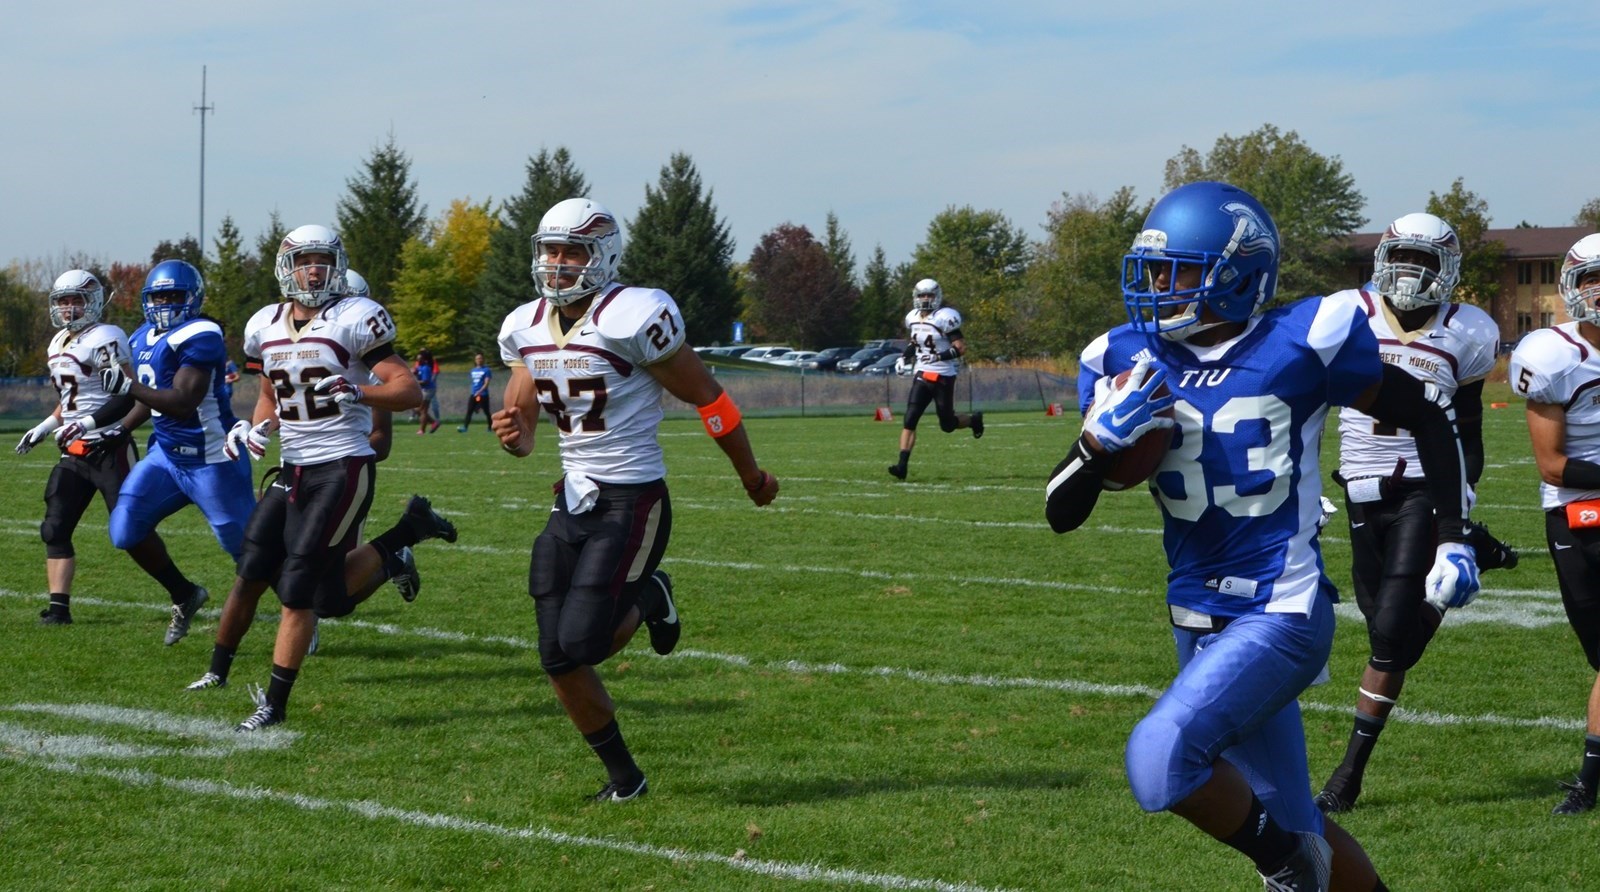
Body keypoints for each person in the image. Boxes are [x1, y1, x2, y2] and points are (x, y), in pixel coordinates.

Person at [1044, 182, 1480, 891]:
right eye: (1152, 270)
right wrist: (1093, 447)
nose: (1157, 288)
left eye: (1176, 271)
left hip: (1281, 607)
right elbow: (1061, 512)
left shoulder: (1303, 339)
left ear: (1238, 273)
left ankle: (1287, 865)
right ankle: (1299, 857)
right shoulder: (1121, 355)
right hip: (1194, 613)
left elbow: (1429, 416)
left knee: (1160, 759)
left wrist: (1454, 536)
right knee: (1297, 818)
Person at [493, 197, 779, 801]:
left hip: (632, 499)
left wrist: (751, 476)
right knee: (556, 656)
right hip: (572, 497)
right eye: (550, 250)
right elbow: (526, 432)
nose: (557, 263)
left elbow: (709, 398)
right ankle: (626, 780)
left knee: (585, 642)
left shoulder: (632, 315)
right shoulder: (524, 326)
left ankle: (652, 595)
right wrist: (516, 437)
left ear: (602, 255)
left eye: (572, 251)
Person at [1313, 213, 1514, 815]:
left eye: (1424, 260)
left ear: (1447, 269)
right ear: (1381, 258)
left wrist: (1458, 505)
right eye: (1401, 255)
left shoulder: (1467, 331)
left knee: (1388, 635)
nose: (1409, 270)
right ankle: (1467, 563)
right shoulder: (1346, 314)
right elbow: (1306, 407)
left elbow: (1468, 431)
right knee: (1385, 626)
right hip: (1359, 486)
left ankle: (1348, 775)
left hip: (1424, 486)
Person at [213, 224, 429, 731]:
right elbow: (270, 396)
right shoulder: (265, 324)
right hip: (293, 466)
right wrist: (256, 427)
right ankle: (404, 538)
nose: (314, 270)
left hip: (342, 464)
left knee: (299, 585)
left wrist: (359, 392)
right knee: (272, 569)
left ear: (337, 266)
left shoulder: (354, 317)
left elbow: (409, 390)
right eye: (304, 261)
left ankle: (273, 705)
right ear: (286, 268)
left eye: (323, 261)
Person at [62, 259, 256, 646]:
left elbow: (182, 402)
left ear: (194, 298)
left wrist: (128, 387)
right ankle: (184, 594)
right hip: (166, 457)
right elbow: (146, 399)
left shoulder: (202, 332)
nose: (165, 304)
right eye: (159, 297)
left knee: (249, 551)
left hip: (211, 459)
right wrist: (116, 429)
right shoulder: (140, 337)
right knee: (125, 530)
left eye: (174, 296)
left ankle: (301, 608)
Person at [15, 270, 207, 627]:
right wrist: (45, 426)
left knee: (129, 530)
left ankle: (183, 591)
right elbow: (70, 401)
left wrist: (87, 425)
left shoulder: (106, 336)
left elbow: (127, 394)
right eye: (63, 301)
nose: (69, 308)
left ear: (93, 302)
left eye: (76, 300)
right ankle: (58, 610)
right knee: (54, 527)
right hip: (74, 450)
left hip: (109, 447)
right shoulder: (57, 342)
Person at [1510, 232, 1600, 815]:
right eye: (1593, 278)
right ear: (1572, 285)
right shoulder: (1553, 354)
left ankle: (1587, 784)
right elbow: (1552, 464)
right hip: (1576, 514)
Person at [886, 278, 983, 481]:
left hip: (943, 375)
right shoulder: (913, 317)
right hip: (922, 373)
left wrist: (938, 357)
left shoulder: (944, 317)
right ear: (916, 296)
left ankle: (973, 420)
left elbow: (960, 348)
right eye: (922, 295)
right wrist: (904, 357)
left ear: (937, 296)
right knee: (910, 418)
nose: (925, 299)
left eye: (929, 295)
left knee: (947, 425)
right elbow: (915, 342)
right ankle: (902, 466)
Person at [459, 353, 492, 432]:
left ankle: (490, 427)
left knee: (486, 412)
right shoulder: (473, 370)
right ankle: (465, 427)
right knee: (469, 411)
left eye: (480, 358)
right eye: (477, 359)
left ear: (483, 359)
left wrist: (480, 391)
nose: (479, 360)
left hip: (483, 394)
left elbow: (486, 383)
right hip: (474, 394)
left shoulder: (487, 370)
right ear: (475, 360)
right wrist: (474, 392)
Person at [414, 348, 440, 434]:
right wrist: (414, 372)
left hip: (428, 389)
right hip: (424, 389)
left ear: (423, 360)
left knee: (422, 410)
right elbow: (417, 373)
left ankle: (422, 430)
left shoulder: (426, 368)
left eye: (419, 359)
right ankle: (434, 422)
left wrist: (415, 382)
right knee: (418, 410)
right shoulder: (420, 367)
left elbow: (425, 381)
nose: (418, 360)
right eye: (417, 359)